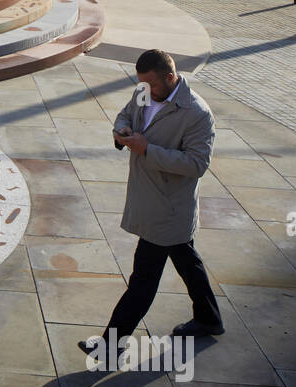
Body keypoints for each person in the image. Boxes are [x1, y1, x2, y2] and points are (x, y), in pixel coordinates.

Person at [78, 49, 224, 360]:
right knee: (187, 261)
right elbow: (126, 114)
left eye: (151, 85)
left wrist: (147, 149)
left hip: (168, 208)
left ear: (170, 78)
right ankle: (210, 318)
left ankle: (110, 346)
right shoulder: (144, 92)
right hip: (151, 199)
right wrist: (121, 132)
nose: (145, 90)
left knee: (142, 281)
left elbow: (197, 164)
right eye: (141, 84)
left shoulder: (196, 113)